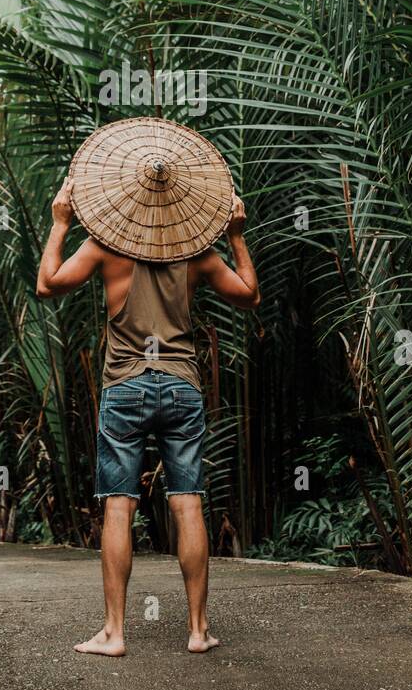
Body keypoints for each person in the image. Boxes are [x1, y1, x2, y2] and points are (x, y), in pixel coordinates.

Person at [36, 175, 260, 656]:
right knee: (188, 502)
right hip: (181, 386)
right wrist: (236, 234)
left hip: (126, 388)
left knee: (119, 504)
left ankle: (114, 634)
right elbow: (248, 295)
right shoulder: (197, 253)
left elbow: (47, 284)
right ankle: (198, 632)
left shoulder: (104, 247)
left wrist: (60, 223)